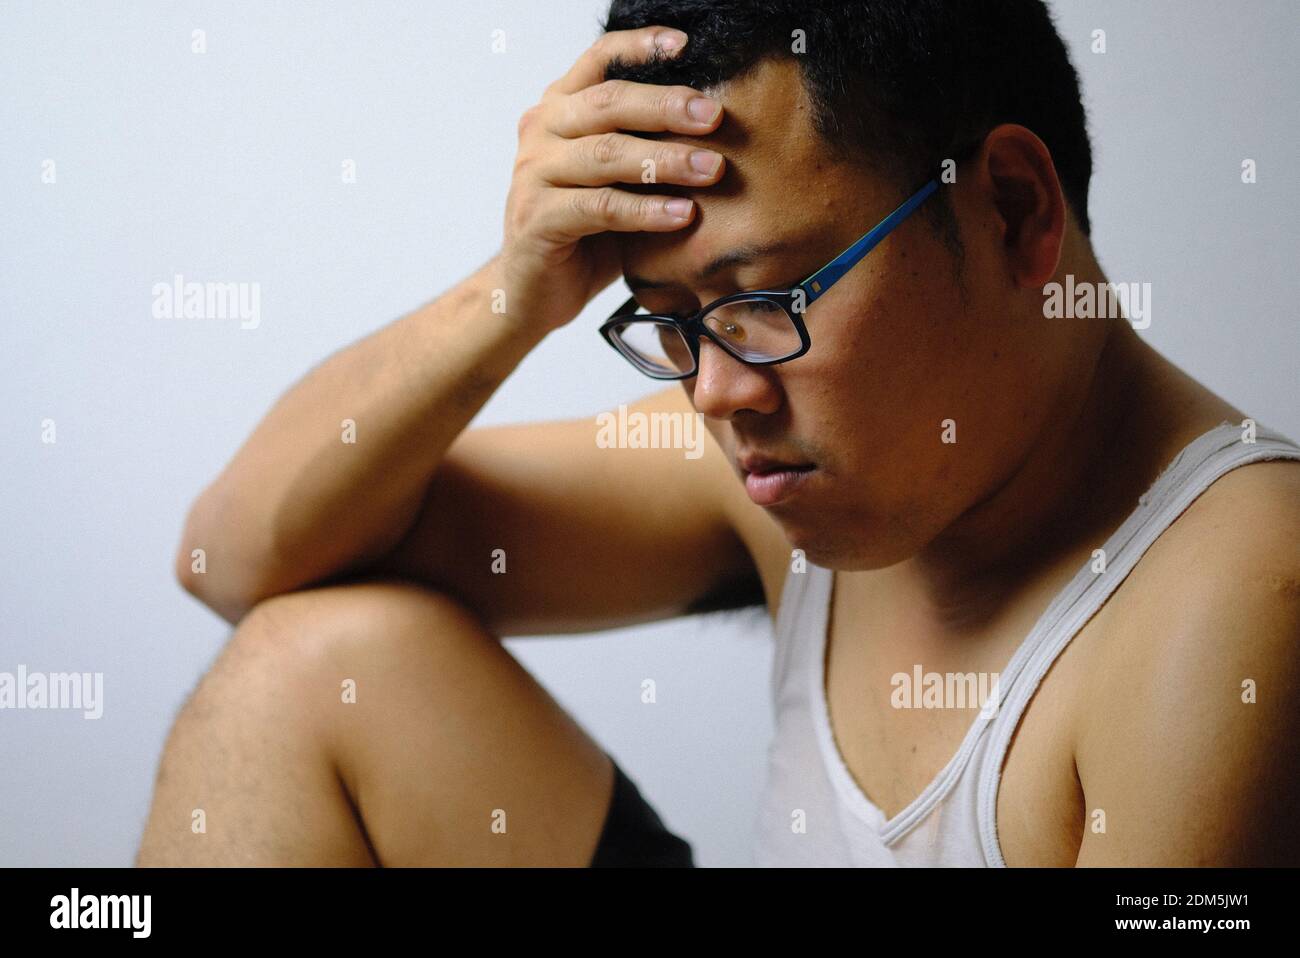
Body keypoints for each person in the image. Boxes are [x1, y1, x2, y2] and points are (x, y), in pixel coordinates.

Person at [136, 1, 1300, 867]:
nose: (716, 392)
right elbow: (231, 559)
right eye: (675, 322)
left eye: (765, 301)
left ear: (1010, 209)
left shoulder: (1238, 593)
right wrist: (510, 294)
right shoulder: (783, 457)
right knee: (305, 673)